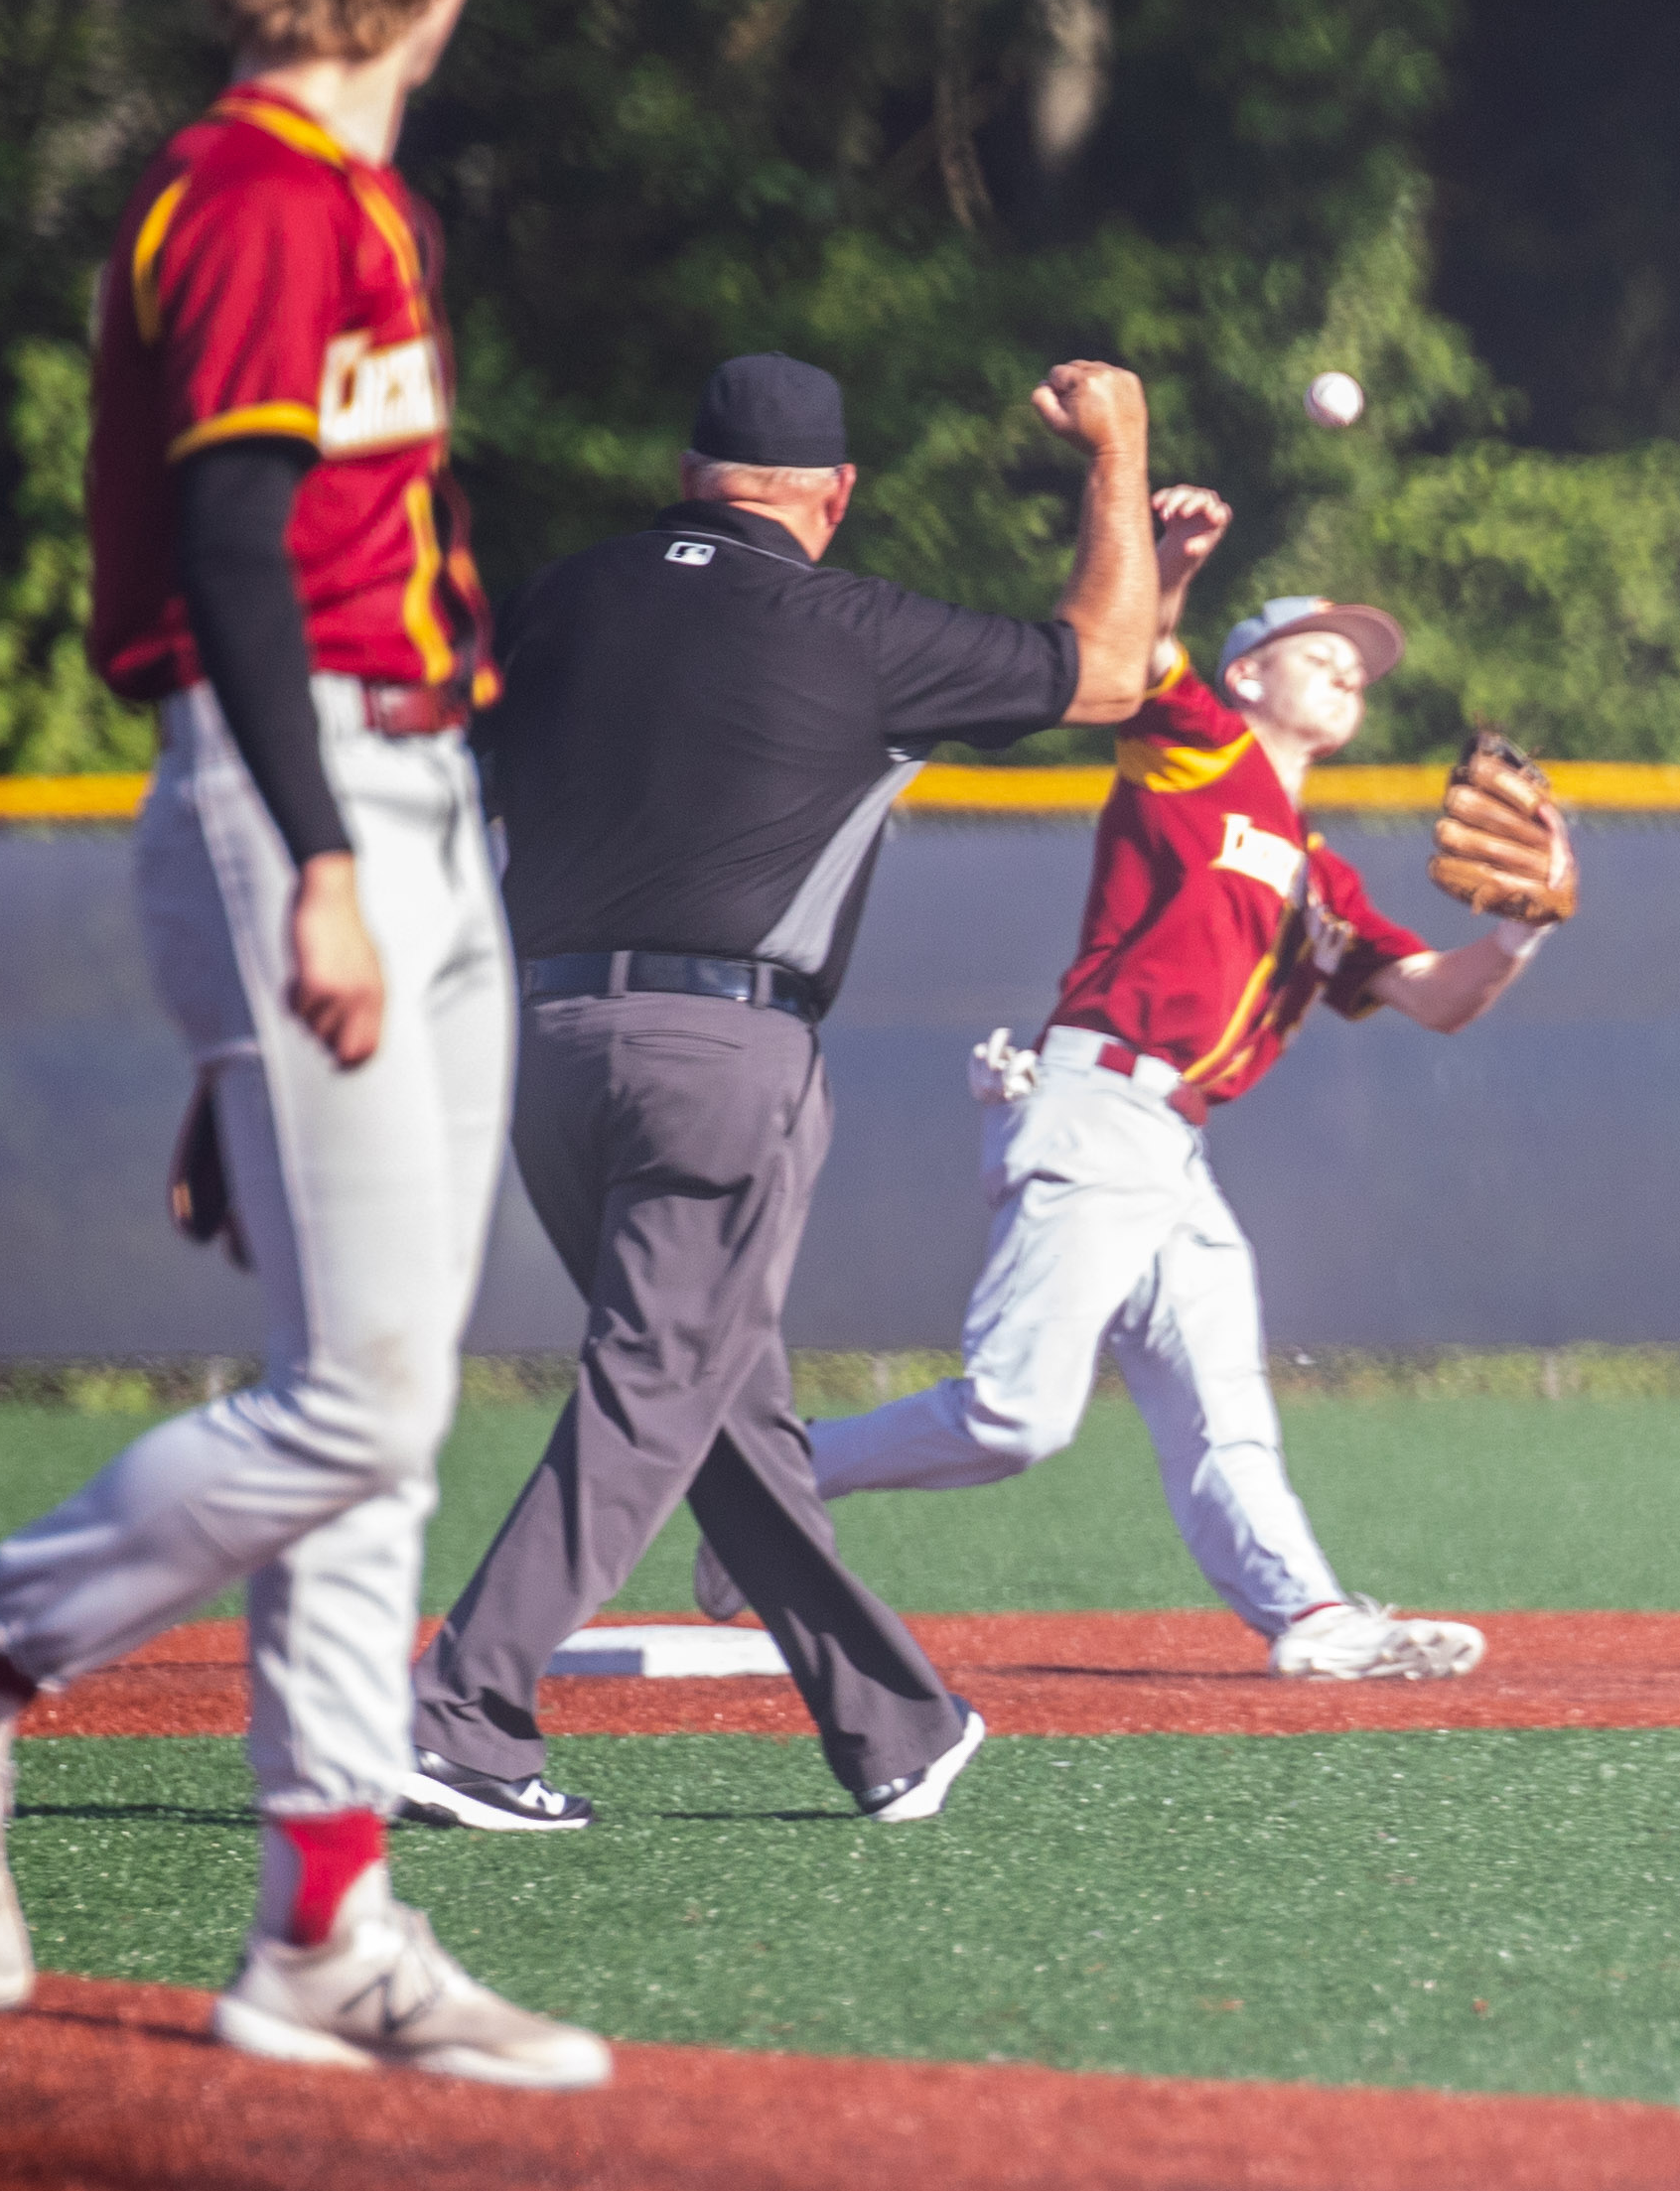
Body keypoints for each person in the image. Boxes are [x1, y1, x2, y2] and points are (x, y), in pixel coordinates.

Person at [0, 0, 603, 2086]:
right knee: (359, 1396)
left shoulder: (345, 196)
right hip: (310, 787)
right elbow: (236, 547)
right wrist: (310, 872)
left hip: (398, 793)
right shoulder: (251, 195)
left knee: (387, 1403)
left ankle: (324, 1926)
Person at [388, 350, 1160, 1833]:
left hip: (542, 1044)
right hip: (722, 1053)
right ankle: (460, 1716)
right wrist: (1116, 448)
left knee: (717, 1398)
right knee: (655, 1384)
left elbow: (433, 750)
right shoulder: (853, 627)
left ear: (687, 478)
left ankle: (895, 1727)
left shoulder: (562, 600)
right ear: (836, 494)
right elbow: (1110, 669)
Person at [704, 509, 1558, 1680]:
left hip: (1172, 1151)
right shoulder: (1201, 754)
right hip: (1098, 1103)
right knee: (1014, 1418)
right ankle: (764, 1475)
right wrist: (1175, 563)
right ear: (1246, 674)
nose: (1349, 669)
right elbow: (1134, 655)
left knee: (1224, 1410)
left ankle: (1311, 1618)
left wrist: (1515, 935)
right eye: (1320, 651)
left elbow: (1438, 997)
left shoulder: (1324, 878)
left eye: (1361, 665)